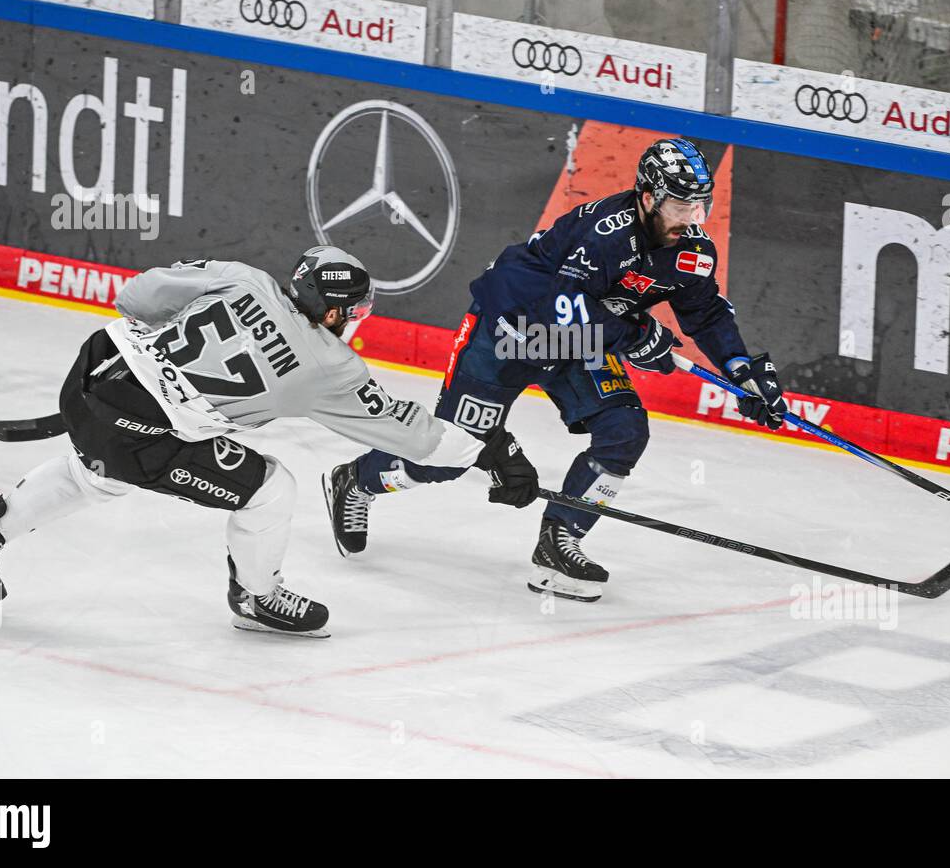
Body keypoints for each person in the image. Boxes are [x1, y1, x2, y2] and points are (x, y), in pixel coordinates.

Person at [0, 247, 539, 637]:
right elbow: (417, 436)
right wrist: (490, 451)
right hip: (139, 431)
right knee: (270, 489)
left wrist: (164, 364)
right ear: (333, 313)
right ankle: (257, 596)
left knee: (98, 472)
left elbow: (136, 296)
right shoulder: (330, 368)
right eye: (353, 313)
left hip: (95, 372)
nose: (354, 323)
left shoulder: (246, 278)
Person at [325, 138, 786, 602]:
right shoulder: (607, 232)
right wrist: (637, 336)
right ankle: (357, 479)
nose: (692, 219)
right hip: (507, 333)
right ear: (649, 198)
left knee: (624, 430)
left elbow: (706, 313)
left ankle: (559, 543)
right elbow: (563, 306)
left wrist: (740, 370)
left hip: (577, 344)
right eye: (681, 207)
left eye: (700, 206)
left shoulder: (692, 249)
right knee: (452, 454)